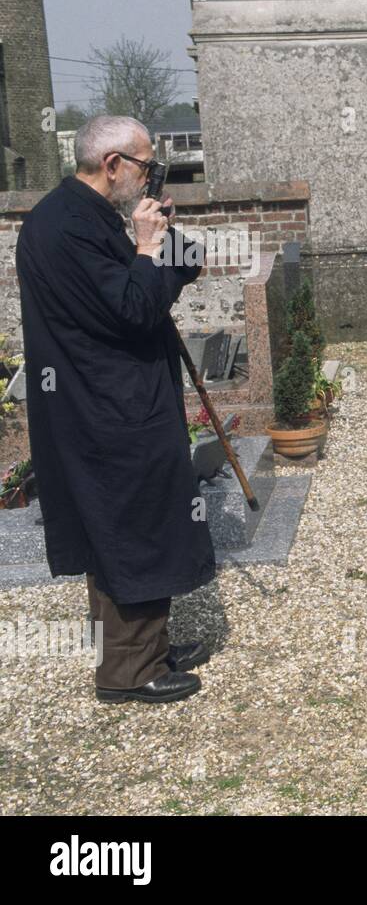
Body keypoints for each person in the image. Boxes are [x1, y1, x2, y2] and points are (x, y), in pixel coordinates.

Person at [16, 115, 215, 703]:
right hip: (106, 409)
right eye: (146, 165)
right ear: (112, 165)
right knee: (132, 528)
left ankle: (145, 649)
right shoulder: (67, 228)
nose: (152, 176)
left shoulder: (89, 216)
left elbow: (179, 269)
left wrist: (160, 241)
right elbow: (134, 308)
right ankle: (130, 674)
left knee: (123, 528)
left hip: (111, 401)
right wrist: (149, 249)